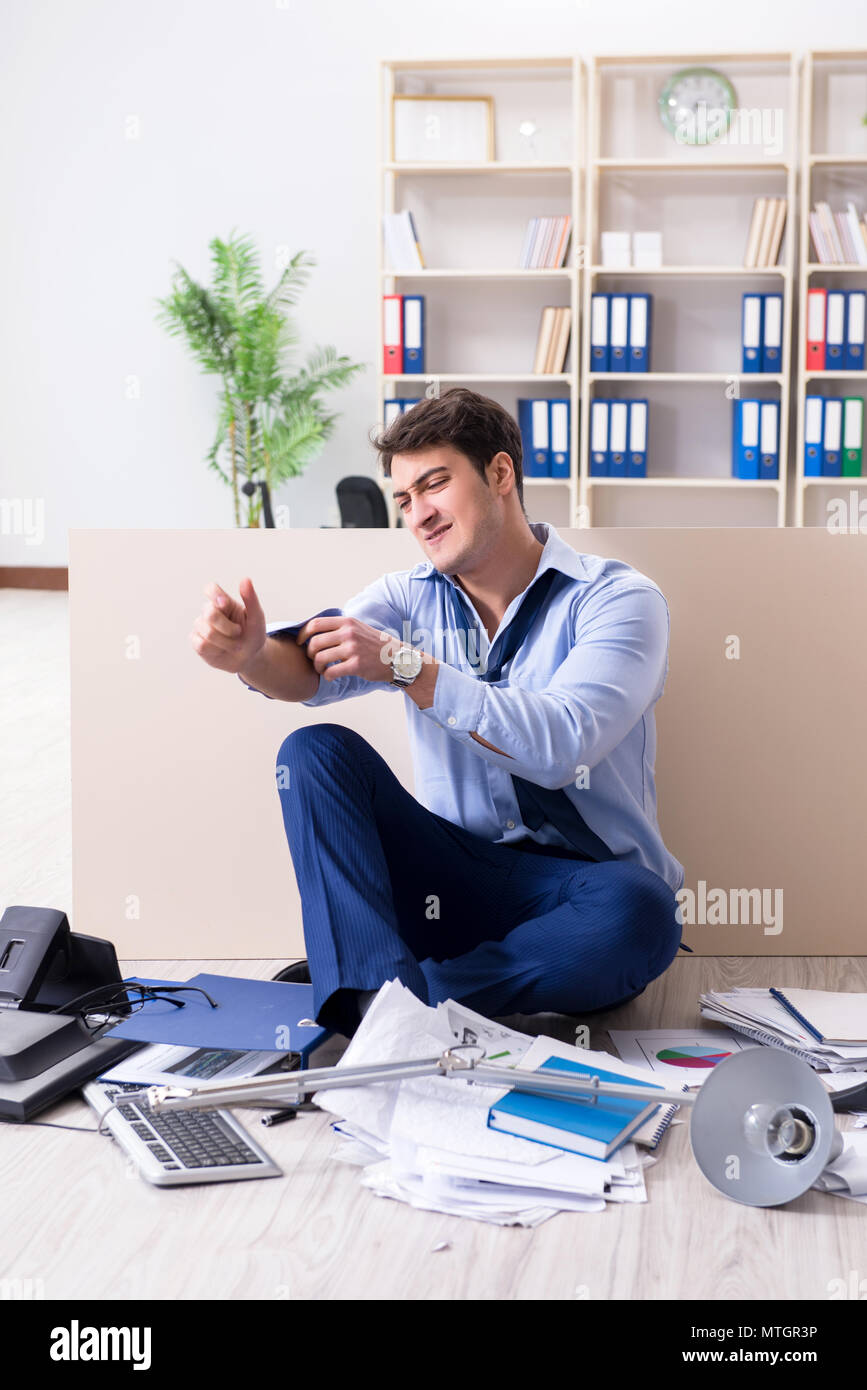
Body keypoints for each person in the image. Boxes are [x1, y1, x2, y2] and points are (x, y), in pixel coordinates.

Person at [190, 387, 685, 1038]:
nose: (418, 515)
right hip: (450, 881)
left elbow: (562, 745)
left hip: (580, 893)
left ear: (499, 474)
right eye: (404, 500)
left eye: (434, 486)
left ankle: (388, 1000)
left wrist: (405, 666)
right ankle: (380, 997)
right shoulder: (405, 597)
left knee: (640, 912)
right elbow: (309, 666)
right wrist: (253, 654)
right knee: (312, 754)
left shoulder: (615, 599)